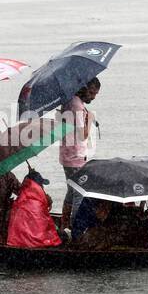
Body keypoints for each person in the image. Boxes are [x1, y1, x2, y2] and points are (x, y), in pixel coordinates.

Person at [59, 78, 100, 226]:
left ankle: (64, 224)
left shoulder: (69, 101)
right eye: (91, 92)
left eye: (95, 94)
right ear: (83, 88)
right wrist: (90, 119)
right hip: (75, 155)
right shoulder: (76, 106)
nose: (93, 97)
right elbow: (83, 134)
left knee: (71, 190)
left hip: (67, 155)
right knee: (79, 192)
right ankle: (76, 229)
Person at [5, 170, 61, 248]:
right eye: (42, 185)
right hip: (37, 243)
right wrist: (46, 202)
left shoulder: (18, 202)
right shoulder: (39, 204)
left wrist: (46, 201)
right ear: (37, 186)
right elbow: (48, 227)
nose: (43, 187)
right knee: (62, 235)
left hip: (16, 242)